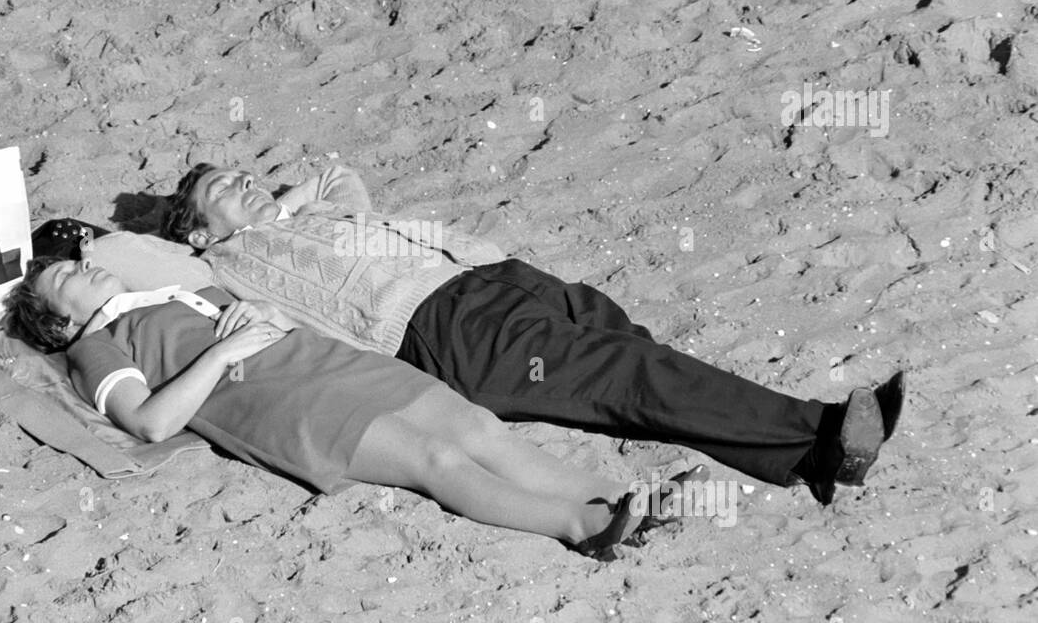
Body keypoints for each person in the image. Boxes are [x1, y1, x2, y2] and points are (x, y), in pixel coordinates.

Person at [161, 162, 906, 507]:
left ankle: (804, 456)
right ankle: (823, 433)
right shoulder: (235, 265)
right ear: (199, 233)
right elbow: (152, 265)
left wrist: (278, 205)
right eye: (221, 191)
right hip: (441, 325)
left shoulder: (301, 216)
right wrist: (243, 233)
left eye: (240, 173)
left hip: (485, 275)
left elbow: (334, 173)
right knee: (625, 376)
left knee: (637, 351)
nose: (245, 184)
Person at [1, 256, 707, 561]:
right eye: (66, 276)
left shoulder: (153, 296)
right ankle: (580, 525)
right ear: (59, 323)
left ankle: (617, 499)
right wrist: (223, 351)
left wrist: (256, 312)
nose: (84, 264)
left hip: (325, 363)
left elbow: (256, 319)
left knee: (476, 427)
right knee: (435, 460)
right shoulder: (95, 346)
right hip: (278, 401)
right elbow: (151, 421)